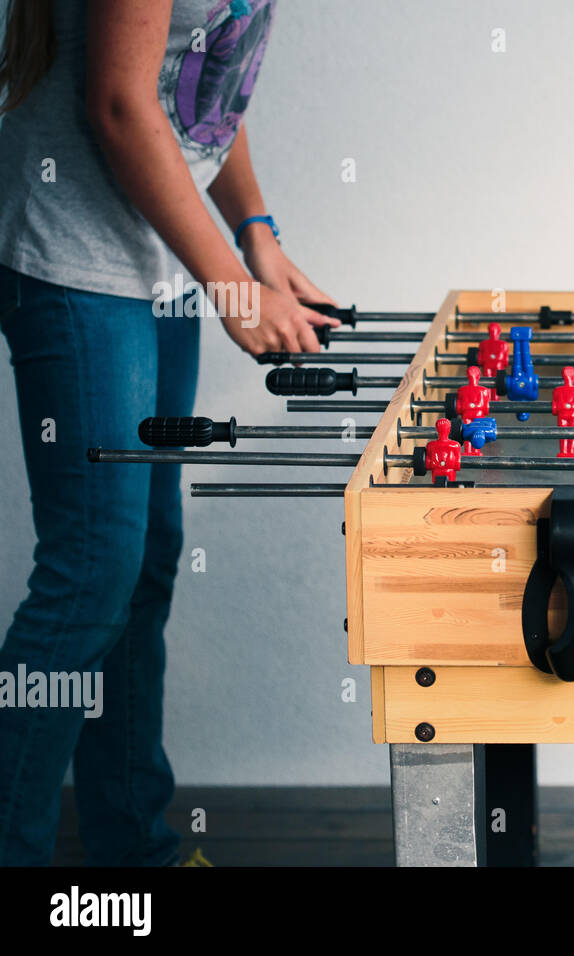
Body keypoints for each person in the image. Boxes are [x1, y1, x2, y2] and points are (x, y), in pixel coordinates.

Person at [0, 0, 335, 865]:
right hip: (76, 259)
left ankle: (133, 855)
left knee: (144, 561)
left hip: (157, 263)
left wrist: (254, 233)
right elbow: (120, 103)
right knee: (91, 576)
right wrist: (231, 286)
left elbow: (204, 95)